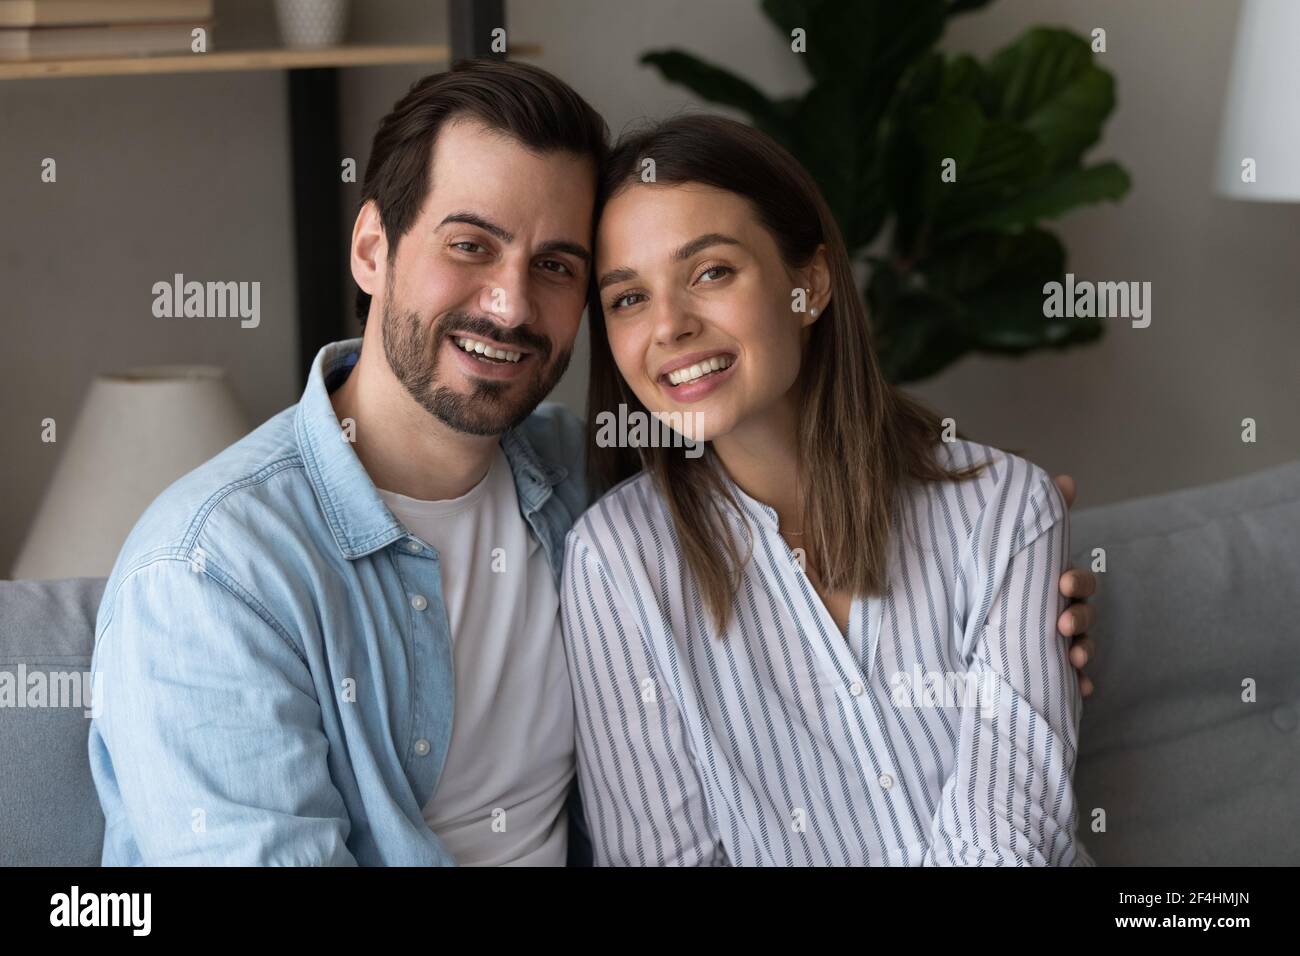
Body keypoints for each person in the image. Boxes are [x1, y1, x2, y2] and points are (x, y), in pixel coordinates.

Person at [88, 60, 1096, 866]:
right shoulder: (213, 575)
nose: (511, 305)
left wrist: (1003, 562)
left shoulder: (585, 486)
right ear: (370, 248)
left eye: (557, 267)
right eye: (469, 245)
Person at [562, 114, 1093, 865]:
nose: (670, 326)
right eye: (627, 299)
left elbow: (1008, 843)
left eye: (710, 272)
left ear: (807, 285)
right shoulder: (615, 564)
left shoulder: (1004, 508)